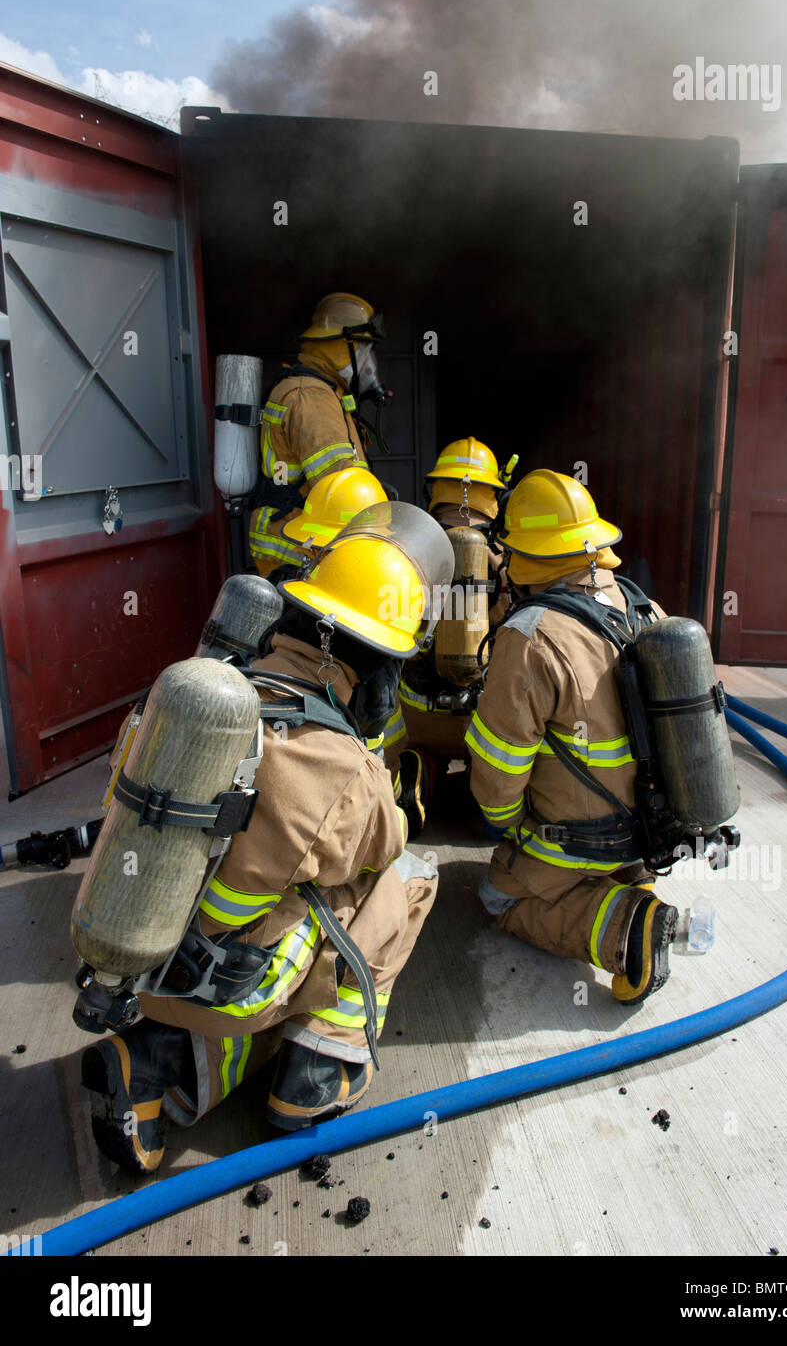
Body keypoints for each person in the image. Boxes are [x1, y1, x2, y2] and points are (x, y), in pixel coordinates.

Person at [80, 506, 452, 1174]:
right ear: (367, 661)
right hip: (224, 987)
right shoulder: (341, 765)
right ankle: (319, 1073)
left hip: (128, 953)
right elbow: (379, 848)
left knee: (277, 889)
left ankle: (155, 1059)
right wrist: (398, 808)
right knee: (408, 881)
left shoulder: (186, 698)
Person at [466, 469, 679, 1005]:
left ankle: (628, 929)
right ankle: (633, 880)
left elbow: (499, 771)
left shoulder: (530, 634)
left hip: (575, 843)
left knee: (495, 897)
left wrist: (508, 830)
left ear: (530, 554)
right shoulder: (648, 610)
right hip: (650, 830)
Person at [384, 438, 511, 834]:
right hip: (481, 724)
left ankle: (418, 766)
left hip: (415, 715)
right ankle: (486, 792)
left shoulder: (405, 551)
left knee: (411, 737)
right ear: (494, 498)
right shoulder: (513, 558)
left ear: (434, 492)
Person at [248, 293, 385, 577]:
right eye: (364, 349)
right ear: (342, 346)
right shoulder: (311, 396)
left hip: (305, 547)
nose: (369, 361)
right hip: (298, 552)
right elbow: (338, 484)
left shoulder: (323, 391)